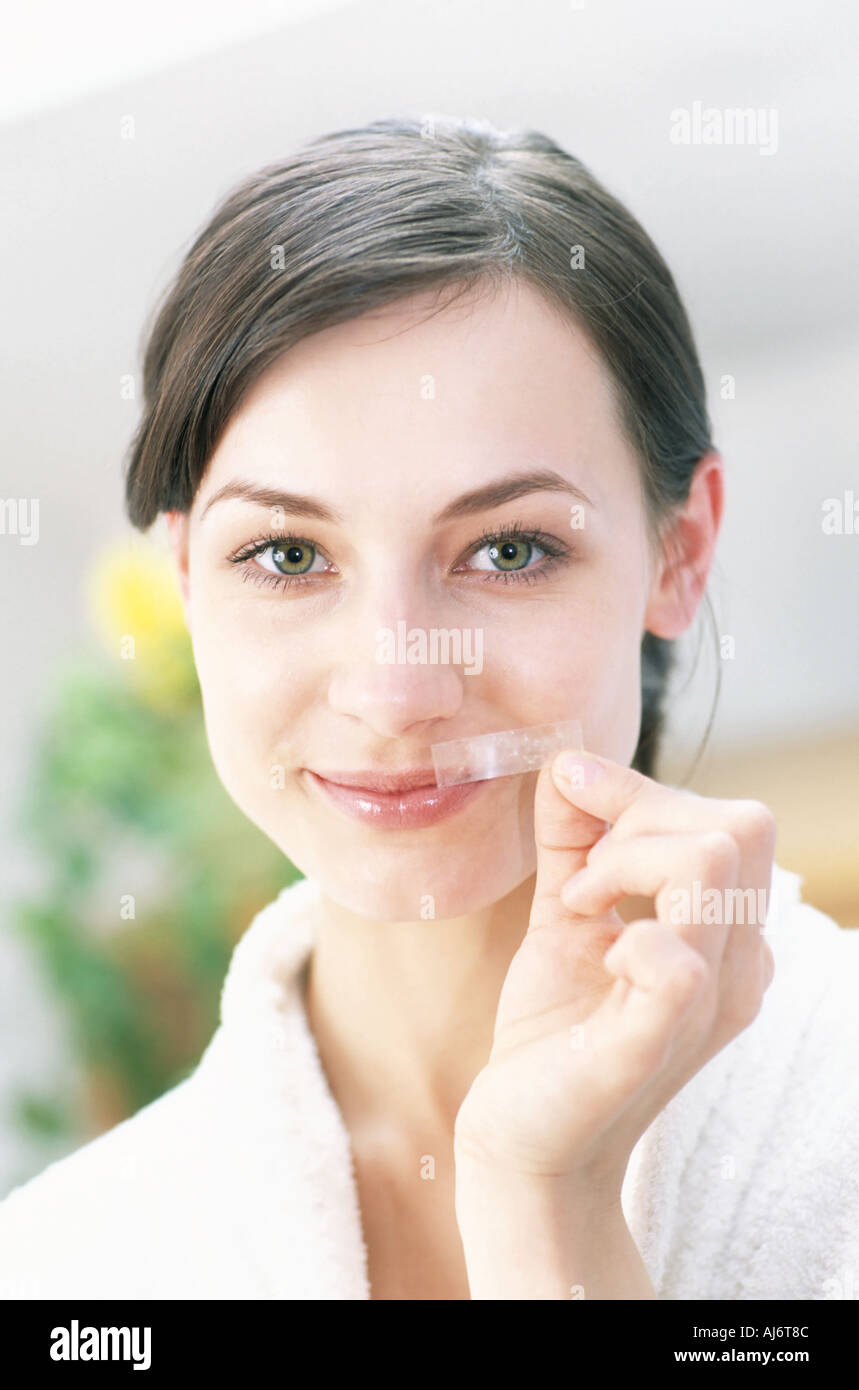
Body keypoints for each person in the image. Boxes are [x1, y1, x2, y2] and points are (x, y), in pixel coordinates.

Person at [1, 115, 857, 1301]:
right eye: (290, 557)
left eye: (507, 549)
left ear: (680, 550)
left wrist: (546, 1211)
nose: (397, 690)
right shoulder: (67, 1270)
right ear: (186, 580)